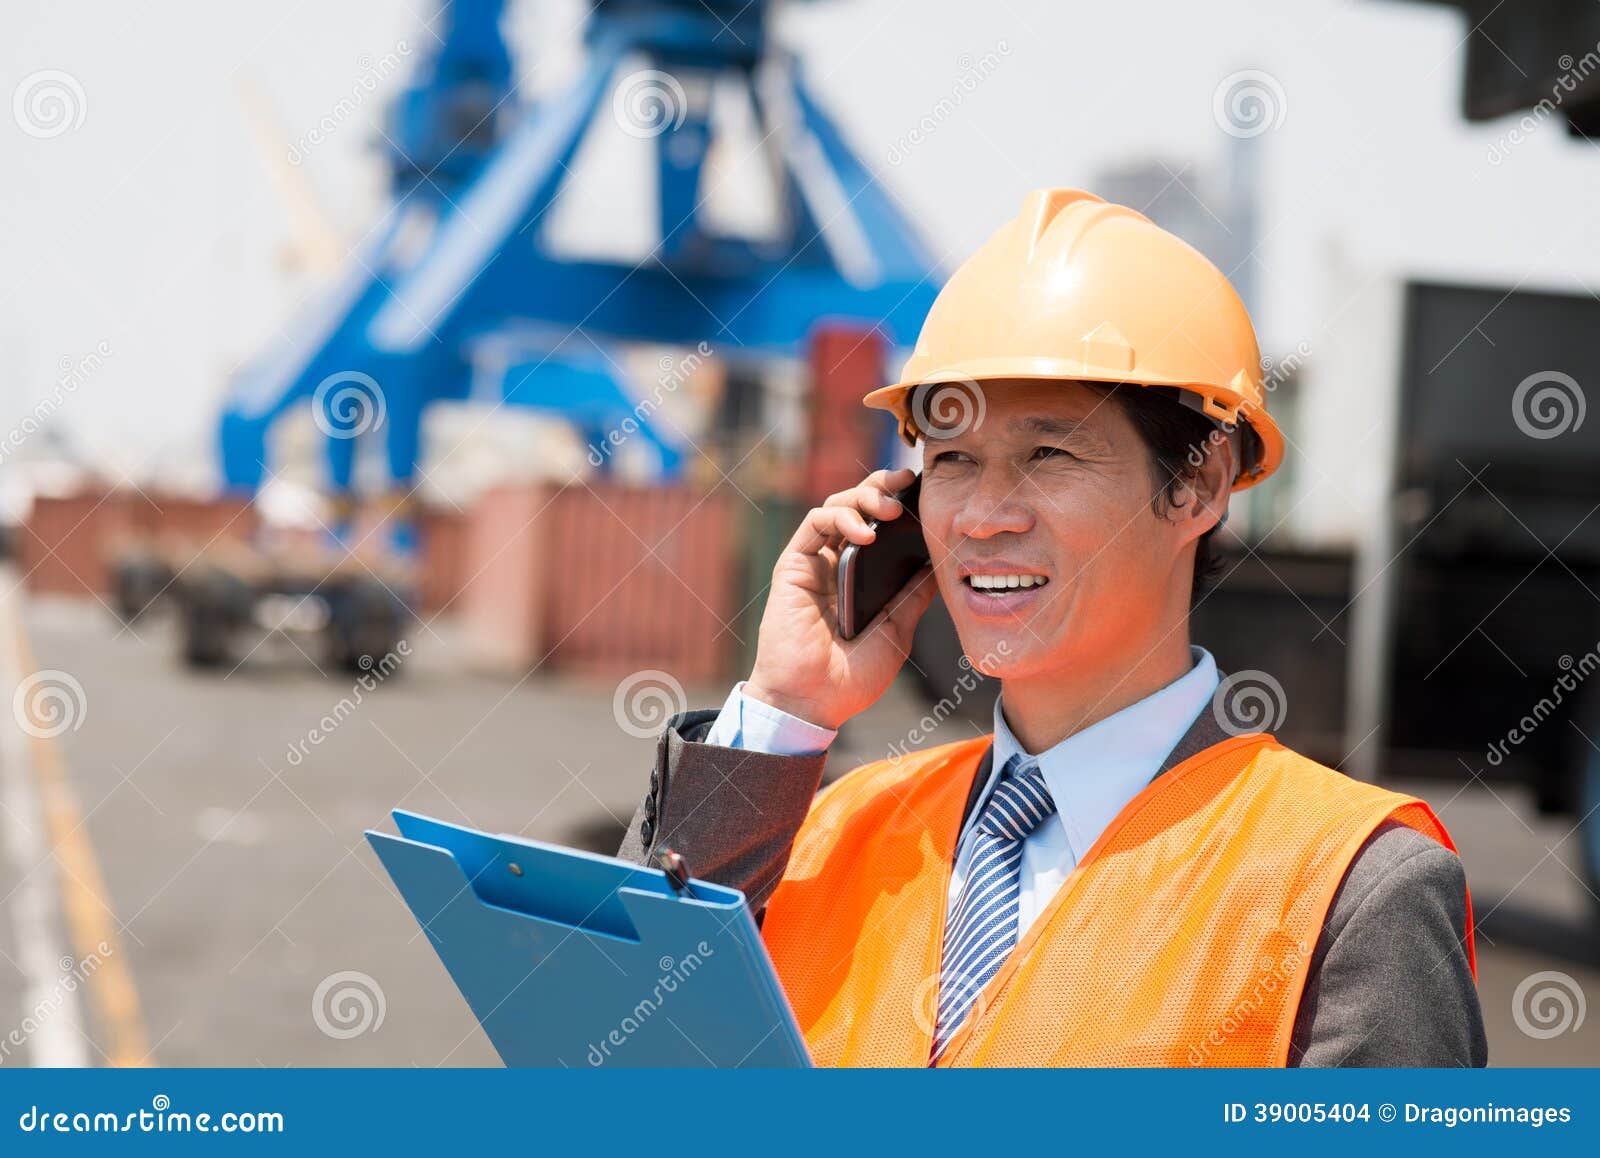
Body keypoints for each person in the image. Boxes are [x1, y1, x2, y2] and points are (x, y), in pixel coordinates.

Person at [619, 188, 1485, 1067]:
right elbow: (627, 1057)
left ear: (1198, 484)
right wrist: (783, 709)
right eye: (953, 460)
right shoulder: (823, 825)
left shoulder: (1350, 889)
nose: (985, 516)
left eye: (1048, 454)